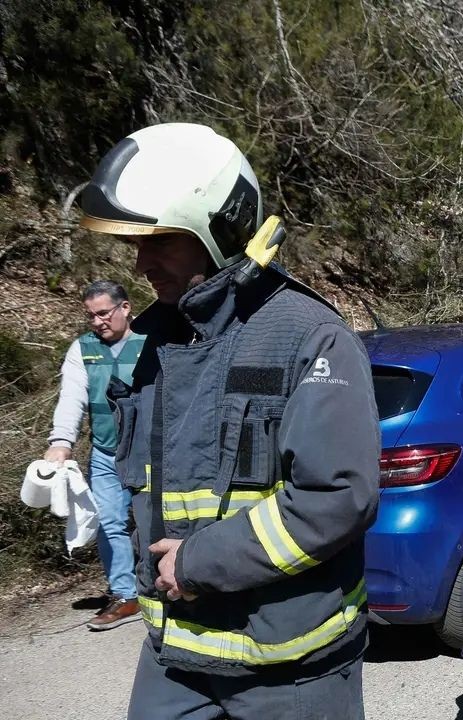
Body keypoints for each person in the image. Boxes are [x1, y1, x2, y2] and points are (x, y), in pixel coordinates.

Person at [78, 123, 380, 719]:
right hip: (178, 651)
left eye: (160, 241)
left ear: (217, 232)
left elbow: (337, 498)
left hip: (291, 663)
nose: (141, 264)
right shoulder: (155, 340)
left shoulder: (308, 337)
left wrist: (197, 563)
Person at [45, 280, 147, 630]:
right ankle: (126, 595)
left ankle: (174, 586)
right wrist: (61, 441)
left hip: (151, 450)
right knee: (107, 521)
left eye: (103, 313)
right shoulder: (83, 348)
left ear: (125, 308)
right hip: (106, 452)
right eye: (91, 315)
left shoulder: (150, 342)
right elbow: (71, 397)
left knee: (159, 521)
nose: (97, 321)